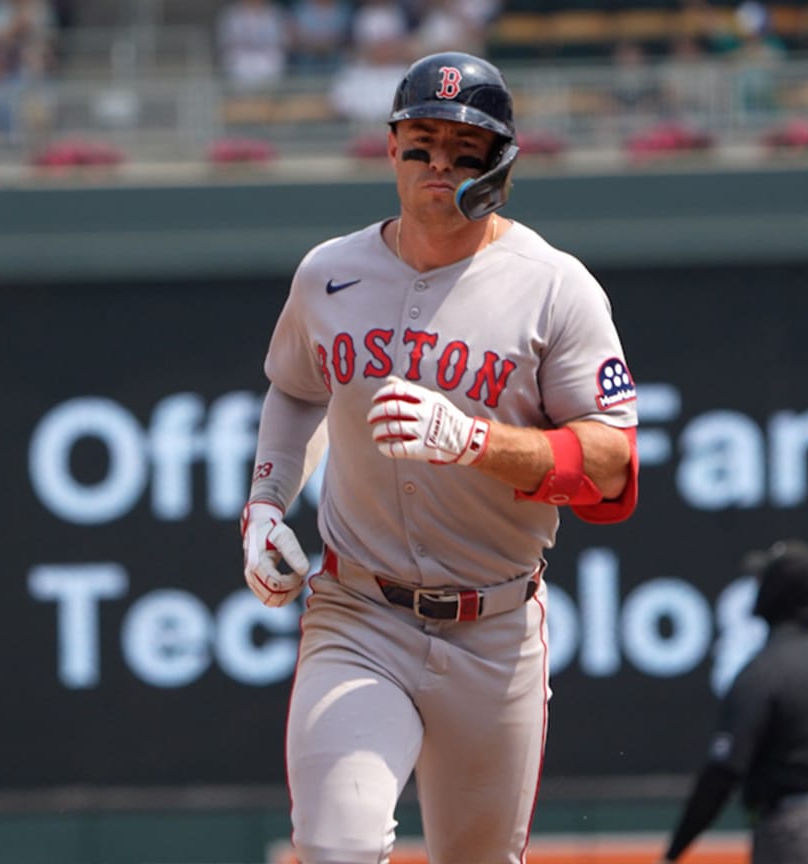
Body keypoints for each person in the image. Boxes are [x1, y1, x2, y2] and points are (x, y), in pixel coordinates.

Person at [241, 50, 640, 864]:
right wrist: (265, 504)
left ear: (501, 167)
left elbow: (611, 462)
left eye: (465, 149)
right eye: (421, 143)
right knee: (337, 848)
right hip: (359, 614)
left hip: (492, 632)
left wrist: (473, 440)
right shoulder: (329, 273)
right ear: (391, 149)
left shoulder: (555, 286)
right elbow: (294, 389)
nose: (438, 165)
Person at [659, 540, 808, 864]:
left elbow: (724, 772)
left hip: (793, 834)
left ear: (778, 590)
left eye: (762, 580)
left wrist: (675, 851)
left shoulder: (764, 673)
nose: (754, 588)